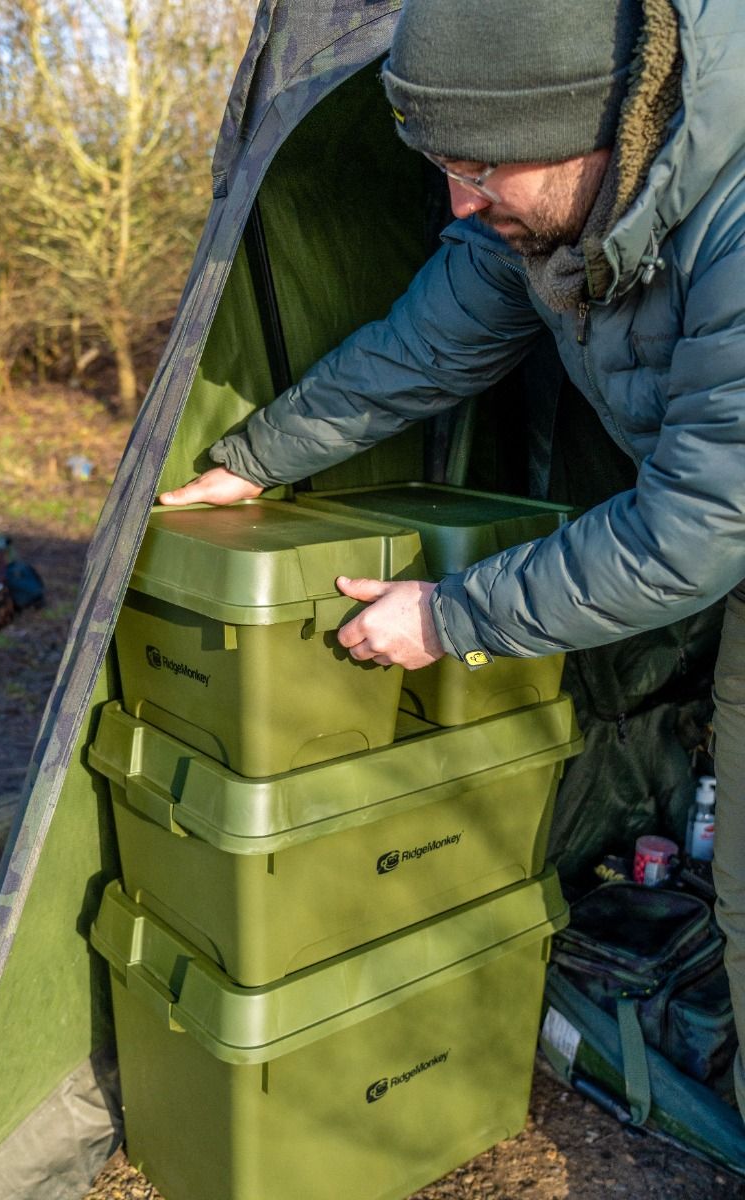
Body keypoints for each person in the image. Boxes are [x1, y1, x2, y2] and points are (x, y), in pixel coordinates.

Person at [159, 0, 745, 1120]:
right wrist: (249, 459)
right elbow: (418, 348)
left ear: (600, 126)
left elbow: (697, 525)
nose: (457, 200)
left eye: (481, 165)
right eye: (440, 163)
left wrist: (447, 618)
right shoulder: (537, 220)